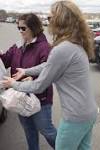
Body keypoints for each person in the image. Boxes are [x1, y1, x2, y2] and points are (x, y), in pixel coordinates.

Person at [1, 1, 98, 150]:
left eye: (50, 18)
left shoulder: (62, 49)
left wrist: (13, 84)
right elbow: (49, 65)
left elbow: (39, 86)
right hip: (88, 112)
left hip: (75, 116)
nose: (48, 22)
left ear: (60, 21)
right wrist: (26, 71)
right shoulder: (75, 44)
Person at [0, 13, 56, 150]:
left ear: (33, 28)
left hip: (40, 99)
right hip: (20, 97)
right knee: (29, 131)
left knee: (47, 131)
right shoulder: (18, 45)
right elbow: (6, 60)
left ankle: (66, 147)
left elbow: (49, 71)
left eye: (23, 28)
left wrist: (32, 77)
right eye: (18, 28)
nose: (20, 31)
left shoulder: (44, 47)